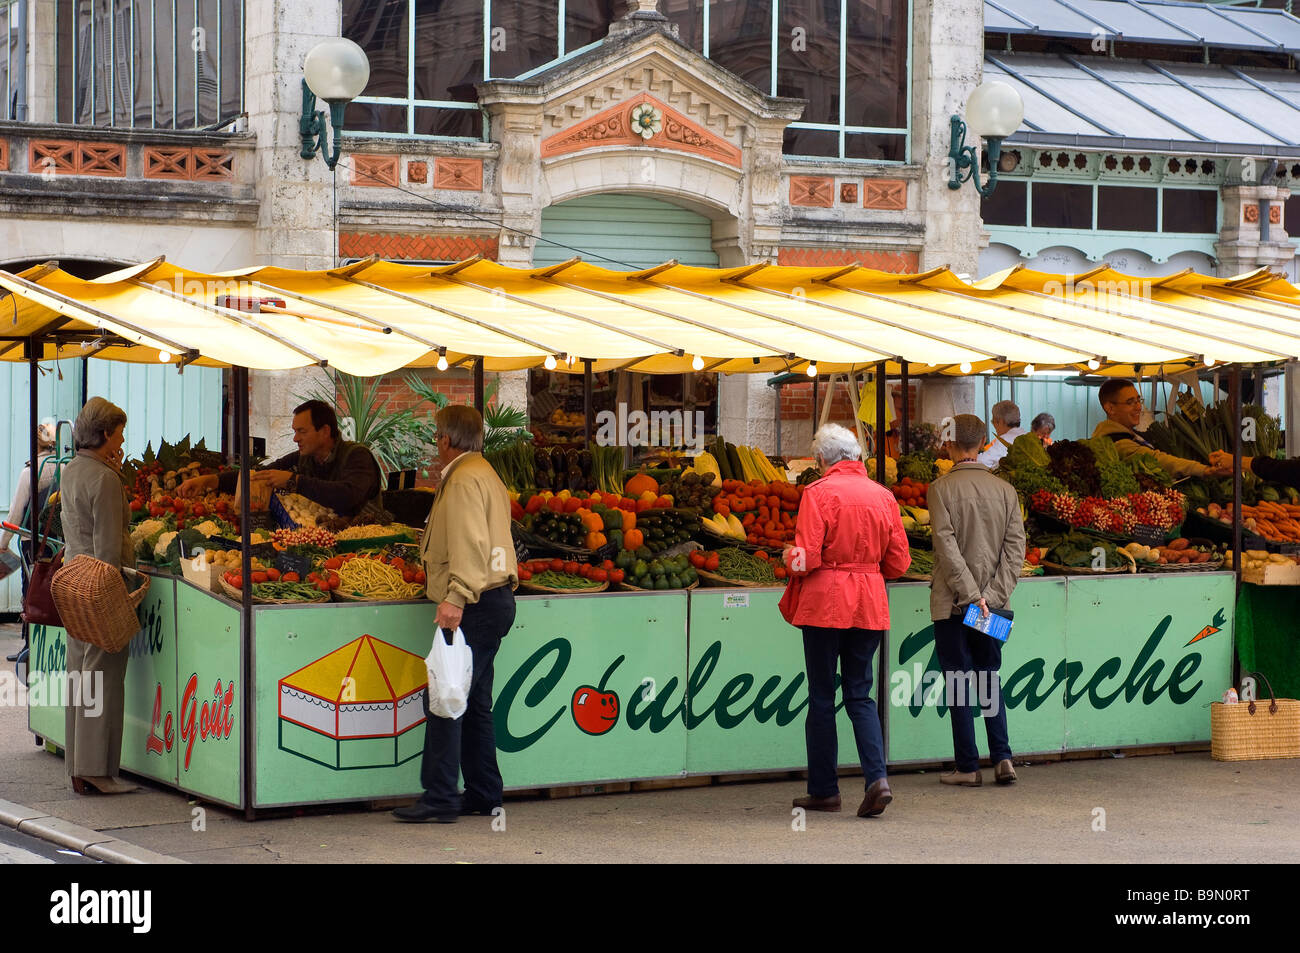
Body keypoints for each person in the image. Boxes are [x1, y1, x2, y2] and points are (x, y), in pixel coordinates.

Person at [778, 424, 911, 818]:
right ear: (856, 456)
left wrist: (787, 557)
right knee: (860, 694)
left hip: (824, 603)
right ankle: (877, 779)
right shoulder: (884, 497)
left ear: (822, 460)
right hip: (869, 602)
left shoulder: (818, 494)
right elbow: (899, 563)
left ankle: (824, 790)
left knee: (822, 695)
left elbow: (808, 558)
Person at [394, 405, 518, 823]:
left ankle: (441, 796)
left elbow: (470, 544)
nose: (435, 444)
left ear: (446, 440)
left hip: (476, 603)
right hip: (493, 599)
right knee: (474, 702)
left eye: (435, 437)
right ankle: (484, 793)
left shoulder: (463, 480)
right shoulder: (484, 472)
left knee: (446, 698)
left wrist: (457, 597)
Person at [929, 414, 1025, 787]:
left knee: (957, 680)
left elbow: (946, 548)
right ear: (985, 443)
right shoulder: (1006, 491)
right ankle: (1002, 758)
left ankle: (967, 767)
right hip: (992, 605)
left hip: (954, 604)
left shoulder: (940, 489)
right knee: (989, 677)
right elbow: (1016, 550)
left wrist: (971, 597)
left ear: (950, 445)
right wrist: (991, 597)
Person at [60, 397, 138, 795]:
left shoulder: (73, 470)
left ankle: (79, 765)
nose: (123, 438)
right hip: (101, 586)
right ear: (107, 434)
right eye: (120, 432)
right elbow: (108, 549)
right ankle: (96, 771)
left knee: (80, 675)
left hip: (74, 581)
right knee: (103, 678)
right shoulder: (106, 479)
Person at [176, 399, 384, 518]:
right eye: (294, 431)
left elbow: (348, 496)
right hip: (324, 538)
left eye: (302, 431)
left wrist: (294, 481)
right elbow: (259, 476)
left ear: (325, 431)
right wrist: (211, 481)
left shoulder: (357, 456)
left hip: (368, 544)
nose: (295, 438)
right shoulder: (304, 458)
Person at [1092, 380, 1230, 479]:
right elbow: (1158, 459)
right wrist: (1203, 470)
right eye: (1130, 402)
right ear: (1110, 408)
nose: (1138, 407)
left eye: (1138, 400)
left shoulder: (1128, 435)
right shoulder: (1117, 443)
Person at [2, 420, 57, 662]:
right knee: (53, 591)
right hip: (58, 540)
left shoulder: (30, 471)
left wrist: (3, 543)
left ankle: (29, 647)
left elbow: (15, 514)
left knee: (31, 592)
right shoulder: (61, 466)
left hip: (30, 540)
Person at [976, 400, 1028, 469]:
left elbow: (982, 462)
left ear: (1000, 422)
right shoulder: (1027, 435)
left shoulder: (1005, 440)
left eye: (993, 421)